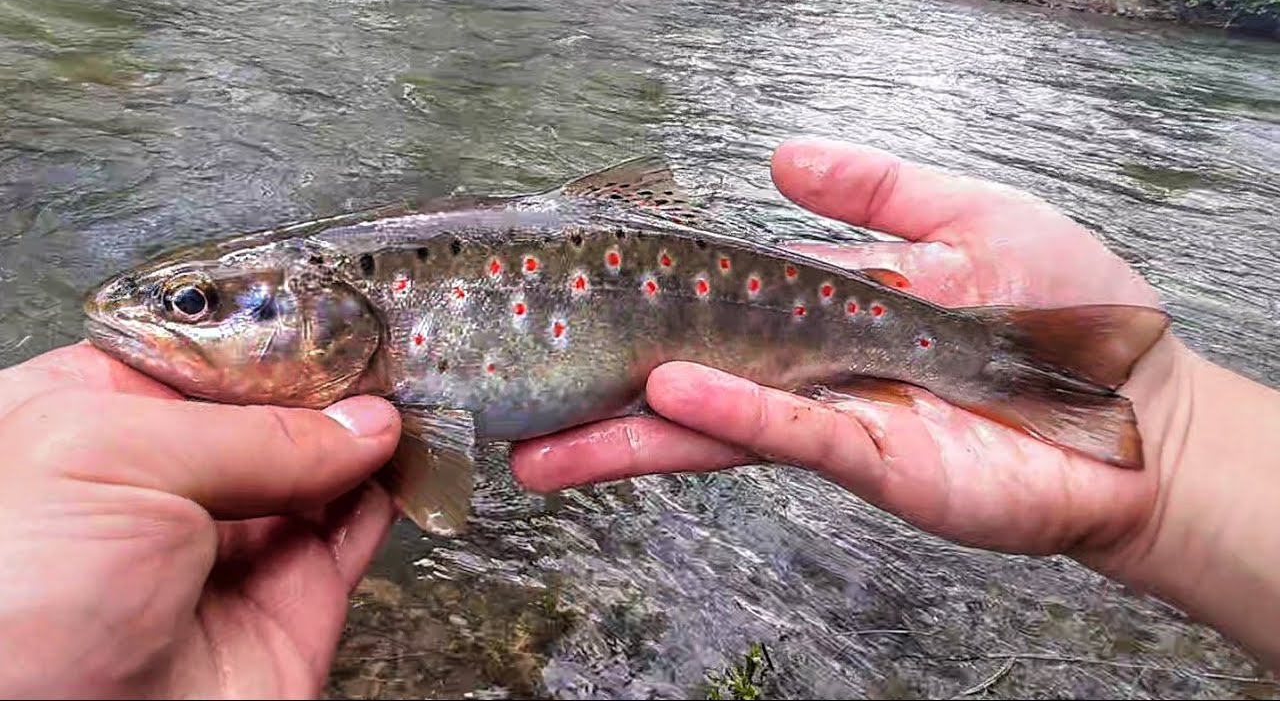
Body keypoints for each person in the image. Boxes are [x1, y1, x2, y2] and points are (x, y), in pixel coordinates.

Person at [0, 137, 1275, 698]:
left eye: (202, 305)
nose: (157, 320)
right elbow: (437, 486)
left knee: (952, 366)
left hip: (756, 307)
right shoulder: (372, 330)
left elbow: (432, 490)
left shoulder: (371, 342)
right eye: (195, 303)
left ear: (328, 312)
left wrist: (1163, 428)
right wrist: (1174, 464)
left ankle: (1007, 367)